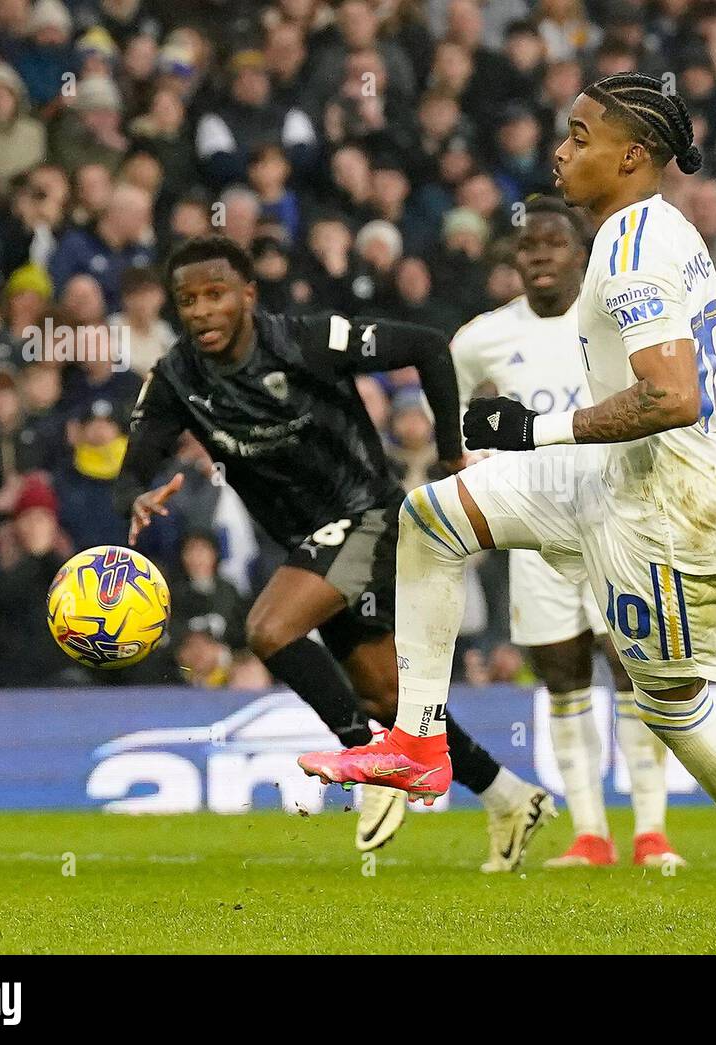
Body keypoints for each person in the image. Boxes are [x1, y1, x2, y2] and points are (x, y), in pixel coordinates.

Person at [300, 73, 716, 917]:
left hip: (661, 511)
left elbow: (672, 394)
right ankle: (418, 739)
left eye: (579, 135)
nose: (561, 151)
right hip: (616, 477)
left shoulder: (633, 245)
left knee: (674, 710)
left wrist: (538, 431)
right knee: (432, 517)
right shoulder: (671, 231)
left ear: (632, 155)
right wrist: (711, 414)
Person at [116, 235, 553, 868]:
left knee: (267, 630)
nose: (202, 311)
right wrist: (136, 495)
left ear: (246, 295)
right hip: (307, 543)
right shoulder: (178, 377)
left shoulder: (305, 340)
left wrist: (453, 451)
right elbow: (136, 464)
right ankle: (509, 795)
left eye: (216, 295)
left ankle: (366, 765)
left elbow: (427, 346)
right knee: (385, 699)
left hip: (369, 516)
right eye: (188, 300)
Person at [449, 195, 683, 868]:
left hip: (619, 519)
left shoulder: (613, 320)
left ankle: (651, 831)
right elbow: (457, 419)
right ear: (515, 261)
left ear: (580, 255)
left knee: (633, 669)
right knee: (563, 678)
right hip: (536, 533)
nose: (541, 255)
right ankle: (590, 834)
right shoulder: (480, 339)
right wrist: (478, 466)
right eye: (528, 247)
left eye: (554, 243)